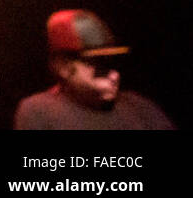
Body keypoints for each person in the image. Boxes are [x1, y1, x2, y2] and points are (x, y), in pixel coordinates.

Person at [14, 9, 174, 130]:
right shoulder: (38, 111)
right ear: (63, 66)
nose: (114, 75)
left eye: (113, 62)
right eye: (99, 64)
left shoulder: (140, 108)